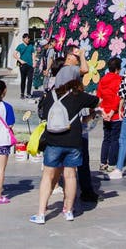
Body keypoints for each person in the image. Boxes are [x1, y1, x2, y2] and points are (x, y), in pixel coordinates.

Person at [30, 79, 100, 224]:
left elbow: (43, 114)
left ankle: (41, 214)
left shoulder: (51, 95)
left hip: (53, 141)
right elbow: (96, 101)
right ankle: (68, 211)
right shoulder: (78, 96)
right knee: (70, 176)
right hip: (73, 141)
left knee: (47, 177)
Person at [53, 47, 96, 202]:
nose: (78, 58)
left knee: (62, 160)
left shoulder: (60, 73)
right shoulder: (70, 69)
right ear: (70, 56)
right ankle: (86, 191)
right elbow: (85, 69)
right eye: (76, 54)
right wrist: (84, 55)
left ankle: (57, 186)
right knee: (81, 157)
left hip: (62, 118)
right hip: (74, 120)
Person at [97, 57, 122, 172]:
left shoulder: (103, 79)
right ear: (117, 69)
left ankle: (103, 162)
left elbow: (99, 97)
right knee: (114, 139)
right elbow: (118, 98)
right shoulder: (119, 79)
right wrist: (112, 112)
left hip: (105, 114)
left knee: (106, 138)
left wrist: (103, 112)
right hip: (115, 115)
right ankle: (112, 163)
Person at [14, 33, 35, 99]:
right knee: (23, 80)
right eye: (26, 38)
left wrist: (34, 63)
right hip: (23, 65)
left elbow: (33, 55)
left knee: (30, 80)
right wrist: (20, 60)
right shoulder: (20, 46)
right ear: (23, 39)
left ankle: (28, 93)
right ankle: (22, 94)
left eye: (28, 38)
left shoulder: (31, 46)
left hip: (30, 65)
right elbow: (14, 54)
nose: (28, 39)